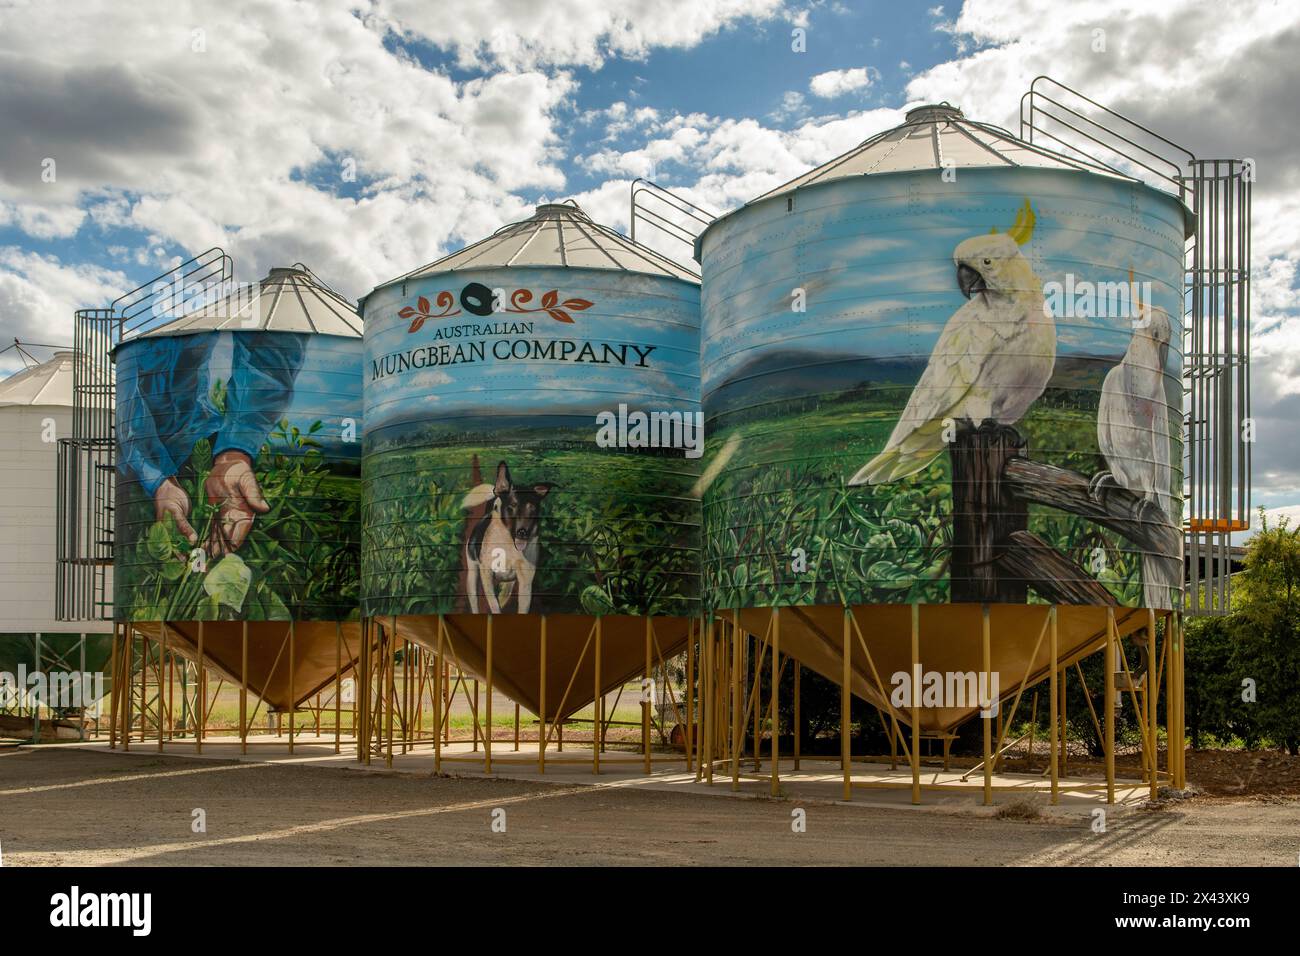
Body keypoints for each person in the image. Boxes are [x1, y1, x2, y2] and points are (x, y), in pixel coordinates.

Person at [116, 331, 307, 558]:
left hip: (196, 442)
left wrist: (234, 454)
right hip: (136, 466)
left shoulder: (215, 302)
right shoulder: (144, 335)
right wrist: (159, 480)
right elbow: (127, 400)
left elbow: (270, 340)